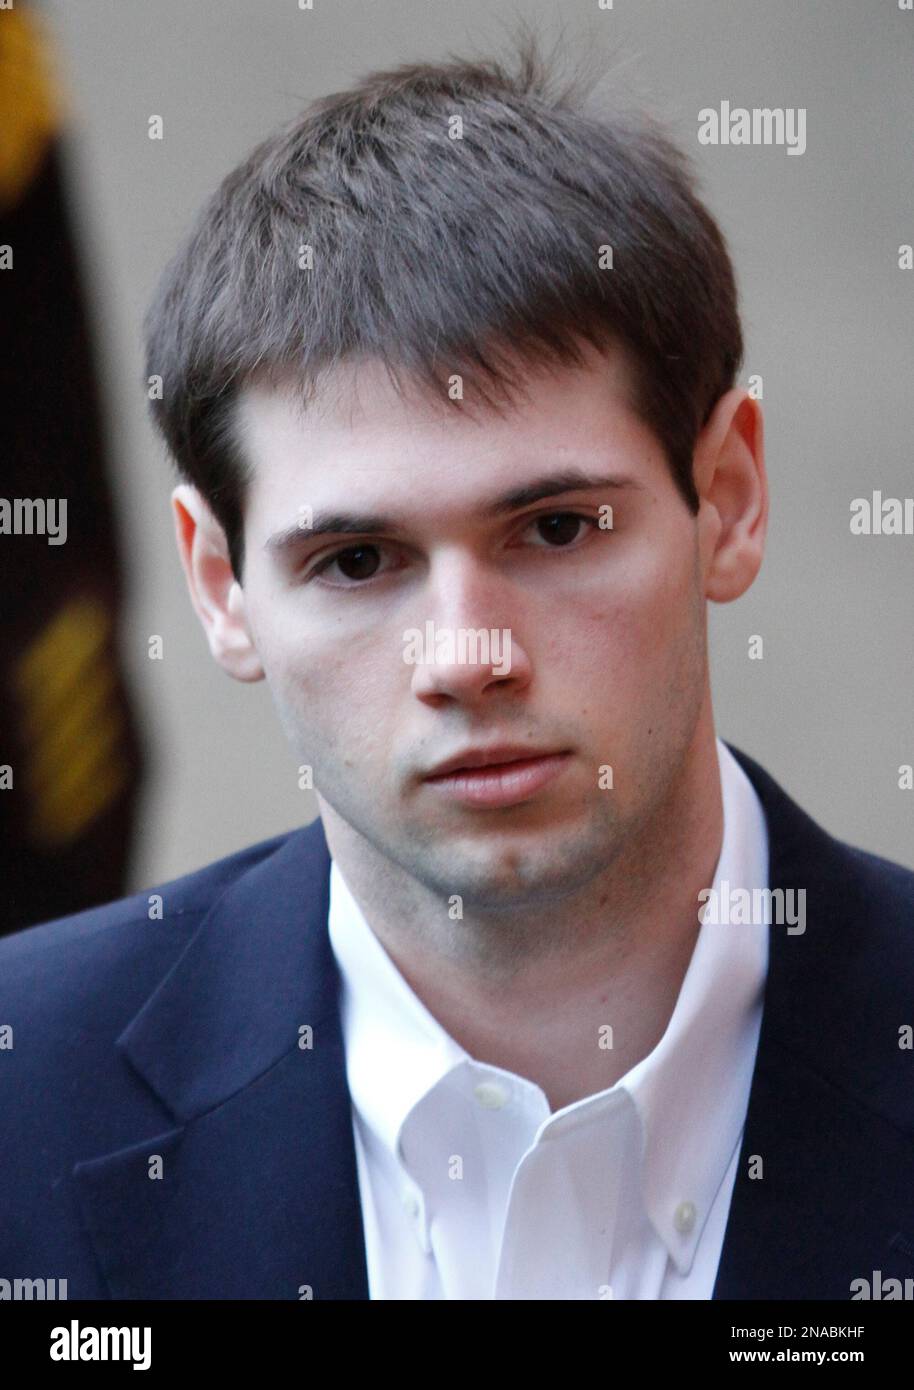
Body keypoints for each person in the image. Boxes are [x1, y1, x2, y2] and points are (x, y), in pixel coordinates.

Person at [2, 35, 913, 1303]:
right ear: (220, 588)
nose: (467, 658)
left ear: (729, 496)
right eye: (359, 559)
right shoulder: (17, 1099)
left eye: (552, 530)